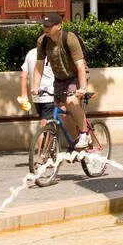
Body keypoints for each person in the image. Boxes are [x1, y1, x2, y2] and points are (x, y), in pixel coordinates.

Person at [33, 12, 94, 148]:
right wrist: (36, 86)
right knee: (62, 112)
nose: (46, 29)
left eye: (49, 26)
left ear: (59, 26)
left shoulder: (70, 39)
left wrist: (82, 88)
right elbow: (39, 65)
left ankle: (84, 133)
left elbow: (80, 65)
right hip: (60, 79)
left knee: (71, 101)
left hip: (76, 76)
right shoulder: (42, 41)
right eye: (44, 26)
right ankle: (76, 144)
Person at [19, 43, 56, 121]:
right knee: (46, 124)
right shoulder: (52, 53)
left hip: (36, 96)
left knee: (47, 124)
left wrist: (24, 95)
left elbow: (23, 75)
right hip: (50, 94)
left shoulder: (31, 53)